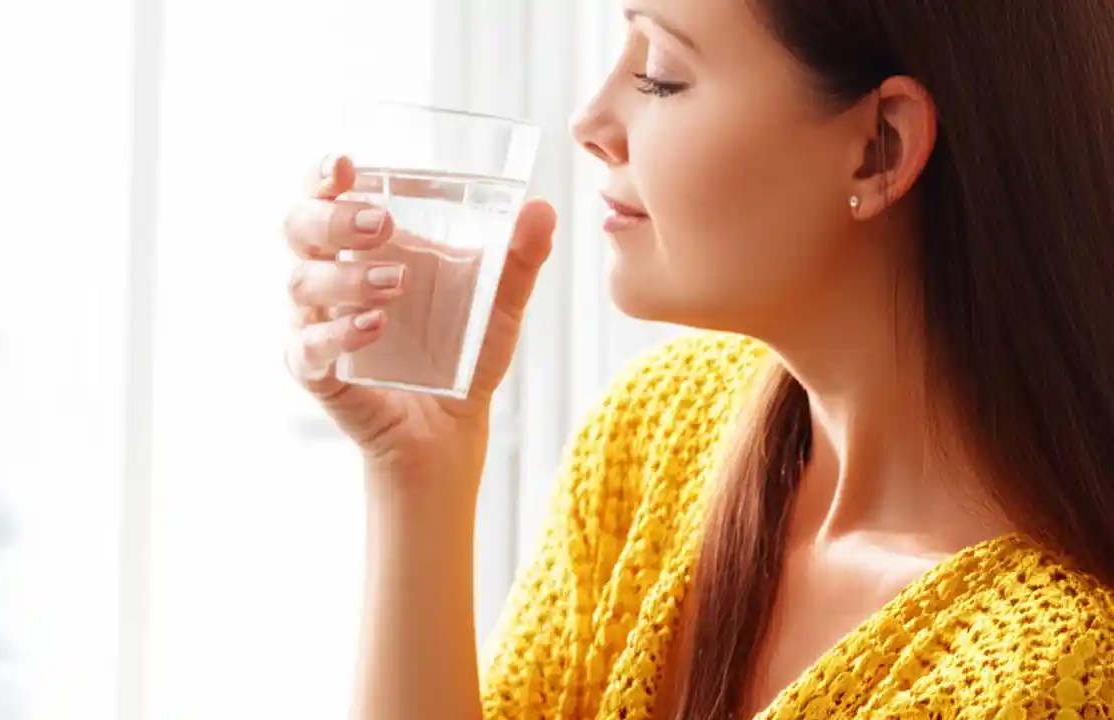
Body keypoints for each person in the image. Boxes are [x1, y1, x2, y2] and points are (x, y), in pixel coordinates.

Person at [281, 2, 1114, 718]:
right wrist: (418, 469)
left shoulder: (1052, 675)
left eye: (659, 76)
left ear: (880, 149)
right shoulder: (658, 431)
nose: (591, 123)